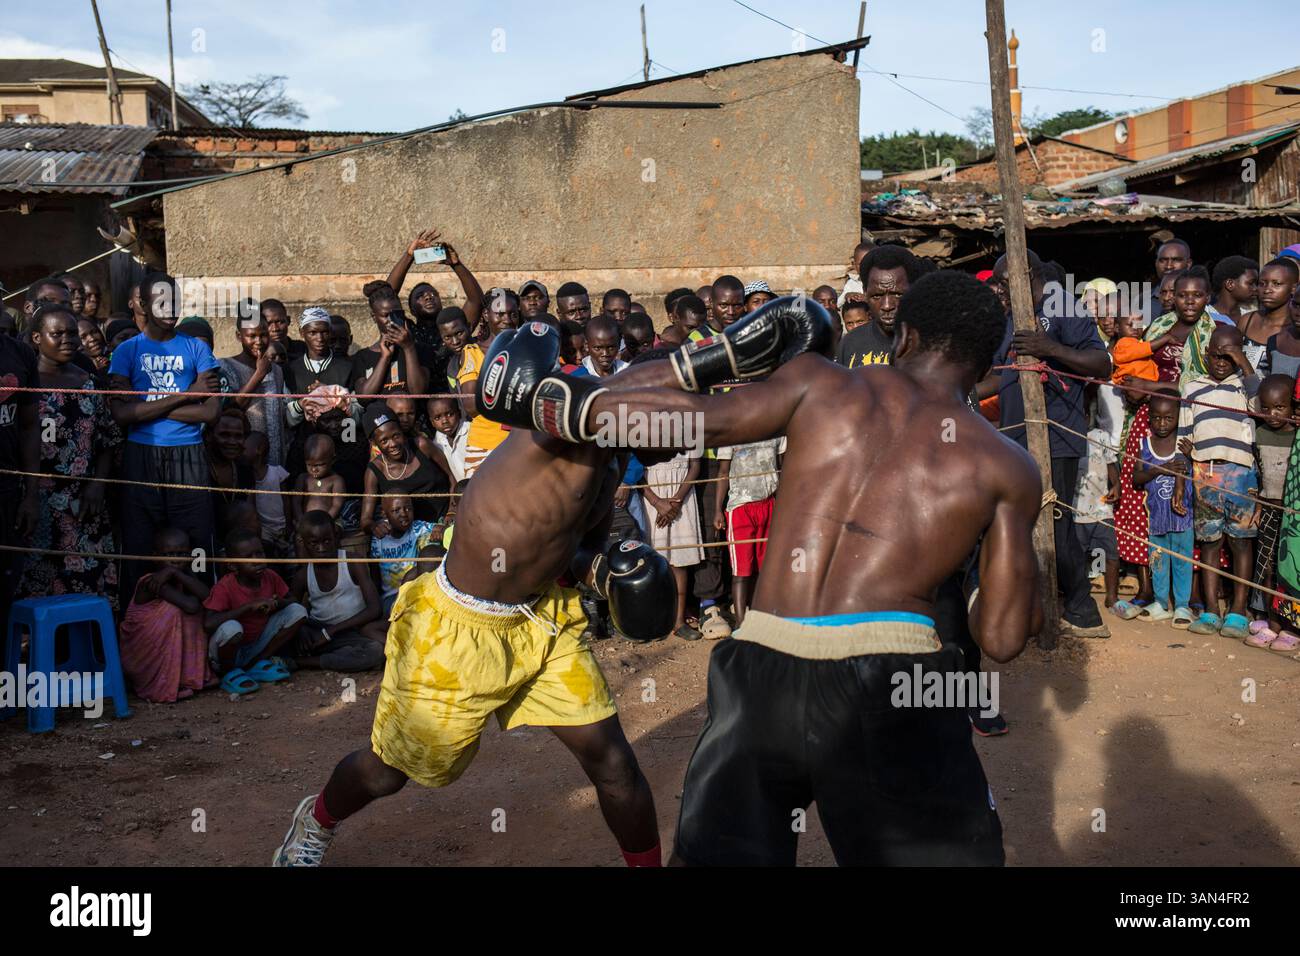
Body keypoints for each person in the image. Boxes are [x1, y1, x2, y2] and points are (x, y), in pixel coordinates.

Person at [493, 276, 1038, 865]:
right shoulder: (1006, 466)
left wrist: (580, 410)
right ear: (990, 361)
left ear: (902, 337)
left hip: (762, 663)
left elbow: (697, 423)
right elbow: (1004, 638)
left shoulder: (819, 384)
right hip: (893, 679)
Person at [274, 319, 694, 870]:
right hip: (455, 629)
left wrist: (601, 574)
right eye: (665, 423)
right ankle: (318, 821)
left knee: (613, 763)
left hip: (541, 624)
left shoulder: (609, 460)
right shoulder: (556, 427)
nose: (673, 439)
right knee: (388, 771)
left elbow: (565, 554)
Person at [983, 250, 1111, 638]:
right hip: (1015, 433)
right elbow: (1005, 374)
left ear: (1029, 276)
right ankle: (1036, 608)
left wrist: (1050, 349)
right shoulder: (1009, 317)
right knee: (1019, 521)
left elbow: (1101, 365)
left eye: (1006, 283)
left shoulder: (1062, 306)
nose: (1000, 290)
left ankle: (1082, 609)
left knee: (1055, 522)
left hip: (1057, 433)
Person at [108, 273, 222, 604]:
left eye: (174, 299)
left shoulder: (196, 347)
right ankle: (139, 621)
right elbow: (121, 416)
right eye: (160, 301)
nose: (170, 307)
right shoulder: (127, 352)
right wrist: (187, 396)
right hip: (141, 455)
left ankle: (201, 618)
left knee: (197, 540)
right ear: (143, 304)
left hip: (188, 453)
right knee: (140, 541)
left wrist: (144, 404)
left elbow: (210, 413)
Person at [15, 305, 122, 610]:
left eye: (72, 333)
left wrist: (97, 486)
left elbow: (107, 440)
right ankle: (29, 659)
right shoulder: (23, 384)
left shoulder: (88, 382)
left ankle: (88, 656)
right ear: (36, 337)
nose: (68, 339)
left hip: (82, 504)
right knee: (32, 589)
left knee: (85, 587)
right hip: (33, 501)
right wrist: (31, 492)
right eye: (57, 333)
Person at [1178, 325, 1260, 639]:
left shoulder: (1245, 386)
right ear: (1206, 353)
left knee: (1241, 542)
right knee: (1210, 542)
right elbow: (1185, 435)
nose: (1222, 362)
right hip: (1204, 473)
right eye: (1217, 355)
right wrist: (1186, 468)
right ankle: (1212, 609)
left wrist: (1242, 361)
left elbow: (1261, 406)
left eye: (1229, 356)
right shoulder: (1192, 387)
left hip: (1241, 473)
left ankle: (1238, 610)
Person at [118, 527, 215, 702]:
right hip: (142, 654)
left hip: (164, 646)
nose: (176, 560)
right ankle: (164, 684)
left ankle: (186, 678)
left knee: (193, 611)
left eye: (182, 554)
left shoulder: (179, 576)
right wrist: (180, 574)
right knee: (177, 611)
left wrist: (181, 573)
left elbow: (207, 596)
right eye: (170, 554)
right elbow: (192, 605)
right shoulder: (152, 582)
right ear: (155, 556)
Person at [204, 527, 308, 691]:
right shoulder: (225, 586)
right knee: (232, 628)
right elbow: (209, 624)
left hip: (255, 647)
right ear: (232, 565)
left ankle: (257, 663)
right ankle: (228, 674)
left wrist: (278, 603)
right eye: (248, 557)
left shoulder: (270, 576)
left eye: (259, 553)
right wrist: (248, 608)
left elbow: (293, 599)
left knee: (298, 611)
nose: (257, 560)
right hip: (227, 655)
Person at [290, 510, 387, 672]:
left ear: (336, 536)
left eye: (327, 541)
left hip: (350, 631)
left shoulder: (352, 562)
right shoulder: (303, 575)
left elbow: (374, 609)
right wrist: (301, 628)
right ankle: (332, 658)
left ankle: (304, 663)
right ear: (304, 543)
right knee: (289, 639)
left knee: (376, 651)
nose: (321, 548)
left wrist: (331, 631)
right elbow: (292, 607)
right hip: (318, 631)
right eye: (314, 543)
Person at [1131, 392, 1194, 626]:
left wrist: (1191, 456)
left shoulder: (1184, 444)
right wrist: (1160, 469)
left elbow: (1198, 473)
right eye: (1156, 418)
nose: (1162, 423)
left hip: (1182, 518)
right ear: (1149, 418)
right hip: (1156, 518)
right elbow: (1137, 478)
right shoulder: (1145, 444)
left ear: (1178, 417)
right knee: (1157, 560)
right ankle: (1160, 602)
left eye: (1168, 418)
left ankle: (1182, 606)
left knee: (1181, 561)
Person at [1245, 374, 1296, 651]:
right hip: (1269, 511)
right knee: (1267, 568)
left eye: (1280, 407)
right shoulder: (1261, 433)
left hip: (1293, 517)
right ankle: (1272, 621)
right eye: (1266, 408)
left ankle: (1290, 628)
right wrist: (1258, 505)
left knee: (1290, 572)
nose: (1272, 414)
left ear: (1292, 407)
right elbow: (1261, 475)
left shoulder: (1297, 437)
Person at [715, 436, 784, 627]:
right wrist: (717, 510)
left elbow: (781, 466)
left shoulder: (777, 430)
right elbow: (722, 472)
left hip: (769, 503)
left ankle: (757, 616)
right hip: (740, 507)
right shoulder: (734, 430)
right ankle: (740, 622)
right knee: (742, 570)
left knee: (763, 568)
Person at [644, 439, 704, 642]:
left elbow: (695, 466)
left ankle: (678, 621)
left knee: (680, 559)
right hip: (652, 496)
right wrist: (657, 502)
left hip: (683, 496)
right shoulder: (643, 426)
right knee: (653, 560)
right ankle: (655, 619)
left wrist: (676, 502)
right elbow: (636, 470)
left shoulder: (691, 425)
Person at [384, 230, 485, 349]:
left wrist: (456, 264)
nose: (428, 297)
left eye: (433, 294)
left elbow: (476, 301)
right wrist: (409, 256)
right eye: (420, 296)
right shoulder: (406, 330)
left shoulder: (456, 329)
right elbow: (384, 298)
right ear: (412, 310)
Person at [361, 403, 451, 531]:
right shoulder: (374, 471)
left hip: (446, 522)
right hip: (412, 535)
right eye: (384, 441)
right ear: (374, 442)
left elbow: (452, 477)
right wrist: (374, 527)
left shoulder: (422, 446)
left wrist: (452, 511)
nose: (393, 444)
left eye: (396, 435)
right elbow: (365, 520)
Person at [835, 245, 923, 368]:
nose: (887, 306)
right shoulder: (850, 344)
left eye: (897, 294)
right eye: (877, 296)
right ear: (865, 293)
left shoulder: (933, 346)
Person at [220, 315, 289, 468]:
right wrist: (258, 375)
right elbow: (231, 408)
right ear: (239, 336)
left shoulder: (277, 370)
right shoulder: (225, 366)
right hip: (243, 456)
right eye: (252, 336)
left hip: (274, 458)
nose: (258, 342)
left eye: (263, 335)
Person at [353, 283, 431, 397]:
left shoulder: (421, 350)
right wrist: (385, 358)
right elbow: (364, 397)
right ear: (374, 317)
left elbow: (418, 392)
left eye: (396, 314)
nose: (391, 321)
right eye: (385, 315)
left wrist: (408, 348)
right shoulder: (363, 357)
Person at [1143, 266, 1217, 387]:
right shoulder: (1158, 326)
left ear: (1207, 297)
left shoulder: (1218, 331)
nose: (1190, 301)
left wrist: (1149, 387)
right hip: (1149, 396)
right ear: (1174, 298)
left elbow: (1213, 381)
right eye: (1182, 295)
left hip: (1198, 400)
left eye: (1197, 295)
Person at [369, 494, 438, 616]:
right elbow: (374, 574)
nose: (404, 514)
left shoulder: (418, 528)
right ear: (384, 514)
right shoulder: (379, 536)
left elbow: (442, 528)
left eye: (408, 508)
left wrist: (440, 529)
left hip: (416, 592)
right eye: (396, 510)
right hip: (391, 597)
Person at [206, 406, 255, 538]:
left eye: (238, 436)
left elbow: (249, 516)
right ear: (209, 436)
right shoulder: (199, 470)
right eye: (224, 435)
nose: (232, 442)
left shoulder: (244, 469)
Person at [246, 430, 291, 558]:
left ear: (259, 449)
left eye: (244, 448)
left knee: (286, 553)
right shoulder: (248, 476)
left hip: (281, 524)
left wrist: (288, 524)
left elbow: (286, 499)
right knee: (268, 552)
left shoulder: (277, 472)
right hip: (264, 528)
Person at [289, 433, 348, 525]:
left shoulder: (336, 480)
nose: (314, 470)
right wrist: (301, 520)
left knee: (337, 529)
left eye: (319, 465)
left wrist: (326, 522)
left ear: (333, 460)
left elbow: (337, 505)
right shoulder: (303, 478)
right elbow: (296, 502)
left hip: (329, 521)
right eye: (309, 465)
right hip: (305, 521)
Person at [1256, 259, 1300, 379]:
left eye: (1277, 284)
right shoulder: (1247, 321)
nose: (1267, 290)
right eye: (1262, 283)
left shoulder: (1293, 327)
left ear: (1293, 288)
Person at [1140, 238, 1192, 321]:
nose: (1168, 266)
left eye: (1176, 260)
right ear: (1156, 264)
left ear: (1188, 264)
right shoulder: (1142, 300)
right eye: (1163, 260)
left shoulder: (1202, 299)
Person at [428, 395, 469, 485]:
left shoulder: (471, 432)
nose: (445, 421)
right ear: (432, 422)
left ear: (459, 413)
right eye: (437, 418)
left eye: (450, 414)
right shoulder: (437, 442)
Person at [1210, 255, 1259, 325]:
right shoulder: (1204, 316)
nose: (1255, 288)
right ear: (1230, 284)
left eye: (1256, 284)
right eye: (1251, 283)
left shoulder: (1252, 316)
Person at [837, 240, 874, 308]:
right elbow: (838, 304)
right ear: (854, 265)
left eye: (869, 263)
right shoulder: (852, 283)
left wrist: (868, 300)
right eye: (860, 264)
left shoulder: (882, 282)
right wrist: (847, 295)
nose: (864, 267)